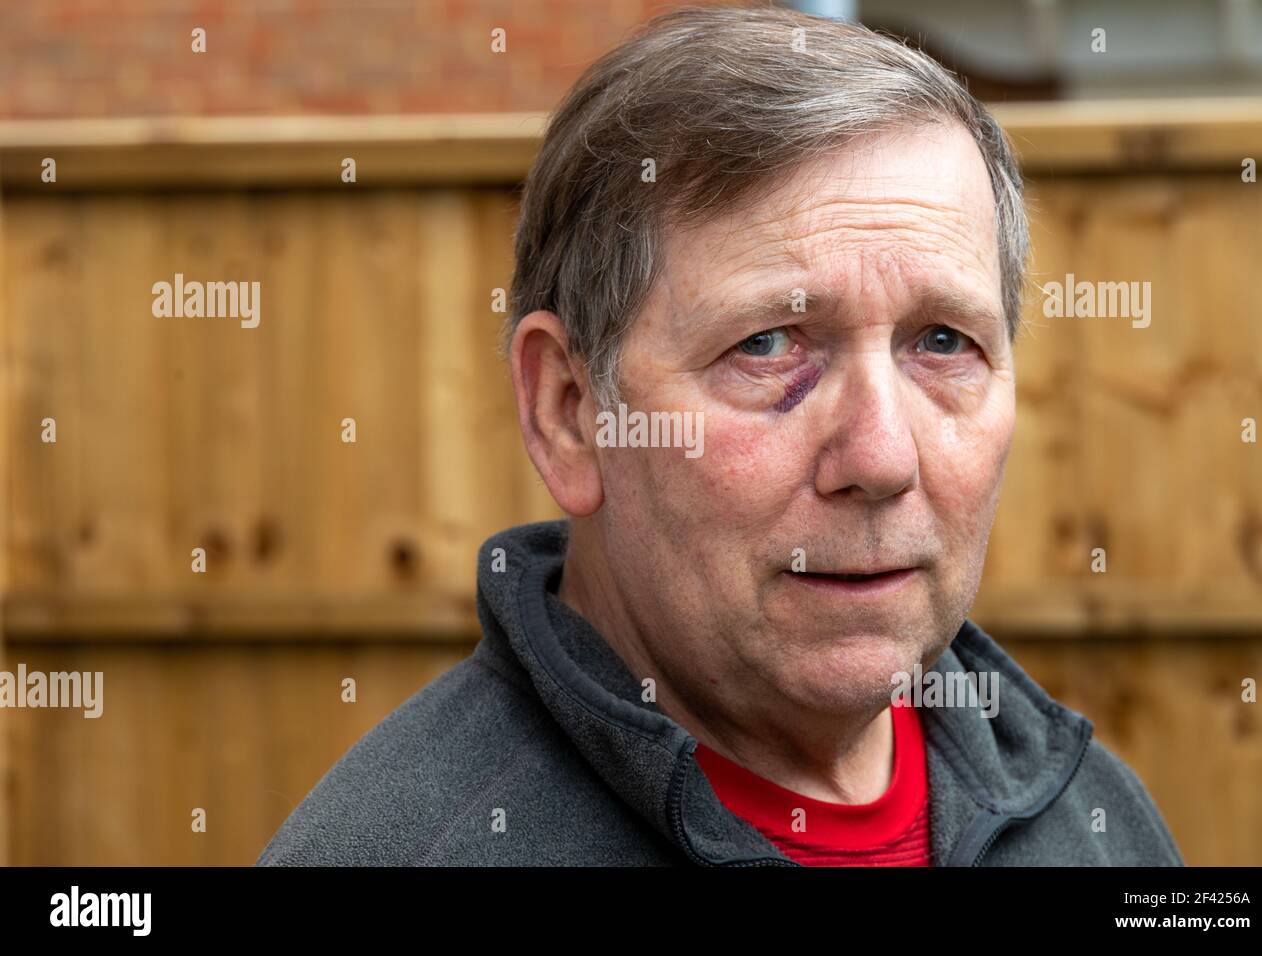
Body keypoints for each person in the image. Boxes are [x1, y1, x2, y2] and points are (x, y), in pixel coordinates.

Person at [258, 4, 1182, 867]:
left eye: (944, 342)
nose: (881, 457)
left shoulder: (1094, 822)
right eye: (769, 345)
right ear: (572, 414)